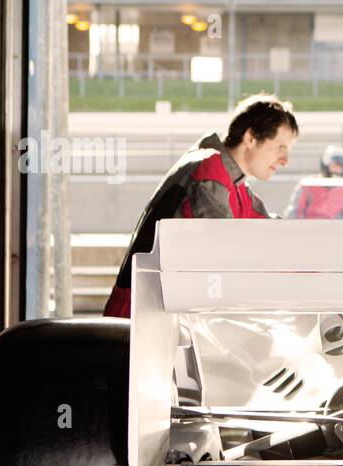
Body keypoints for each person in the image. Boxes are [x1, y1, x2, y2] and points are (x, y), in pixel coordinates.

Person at [102, 94, 297, 318]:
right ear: (251, 137)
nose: (285, 160)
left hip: (157, 316)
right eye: (280, 147)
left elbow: (269, 232)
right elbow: (223, 255)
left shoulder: (234, 184)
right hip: (139, 320)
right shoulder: (210, 171)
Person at [285, 144, 343, 220]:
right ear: (325, 165)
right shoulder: (308, 184)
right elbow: (294, 213)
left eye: (341, 167)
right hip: (308, 228)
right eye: (335, 166)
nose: (337, 170)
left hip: (334, 229)